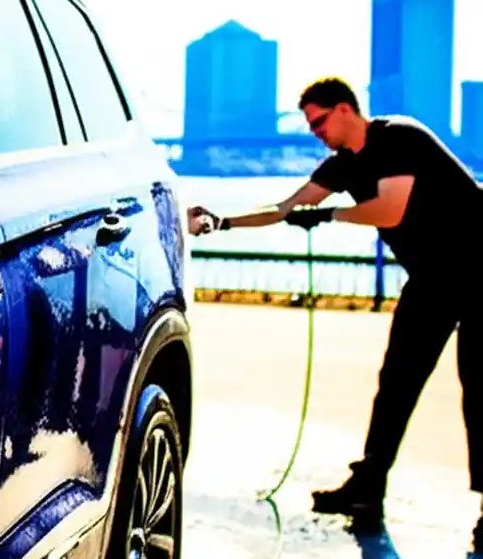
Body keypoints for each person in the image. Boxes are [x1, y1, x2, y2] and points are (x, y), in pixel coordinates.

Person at [188, 76, 483, 550]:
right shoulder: (343, 165)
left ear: (345, 109)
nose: (316, 132)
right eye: (310, 126)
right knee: (397, 380)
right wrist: (221, 222)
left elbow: (390, 210)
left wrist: (328, 216)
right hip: (434, 279)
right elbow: (286, 207)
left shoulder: (399, 138)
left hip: (481, 270)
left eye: (320, 122)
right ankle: (368, 486)